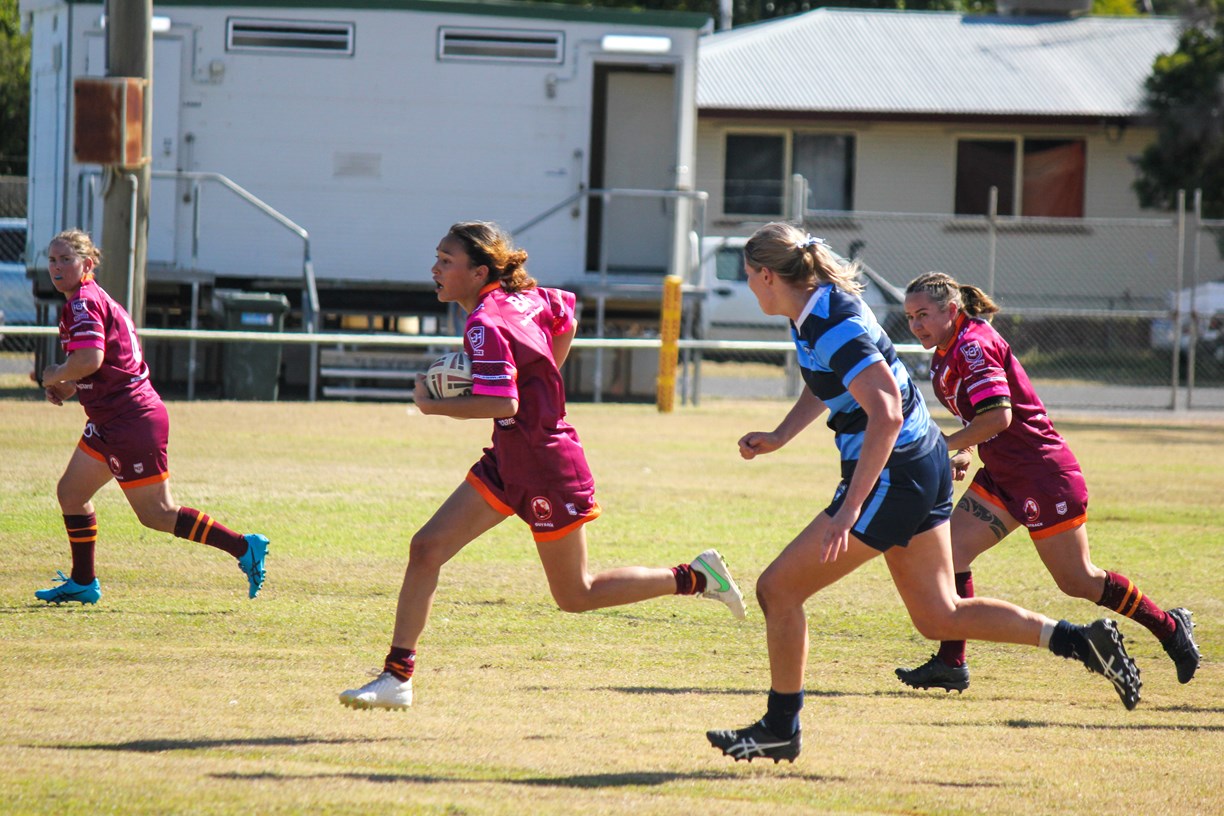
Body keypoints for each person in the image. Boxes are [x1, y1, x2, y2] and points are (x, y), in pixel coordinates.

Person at [706, 223, 1141, 765]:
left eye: (749, 277)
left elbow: (884, 411)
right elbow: (833, 380)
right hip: (922, 461)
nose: (748, 286)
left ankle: (780, 727)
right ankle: (1081, 641)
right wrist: (780, 435)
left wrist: (850, 509)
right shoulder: (816, 310)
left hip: (899, 470)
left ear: (768, 275)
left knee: (777, 590)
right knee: (939, 615)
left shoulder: (829, 319)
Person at [338, 221, 744, 710]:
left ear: (479, 271)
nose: (435, 269)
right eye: (438, 258)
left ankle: (696, 578)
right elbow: (565, 314)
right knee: (426, 548)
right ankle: (396, 678)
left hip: (546, 465)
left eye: (447, 261)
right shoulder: (525, 297)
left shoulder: (484, 325)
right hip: (510, 458)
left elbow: (503, 404)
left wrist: (433, 404)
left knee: (575, 594)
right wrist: (546, 372)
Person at [894, 271, 1199, 692]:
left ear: (952, 310)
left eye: (923, 315)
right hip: (1004, 474)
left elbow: (1000, 416)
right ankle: (951, 662)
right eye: (910, 317)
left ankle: (1168, 627)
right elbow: (980, 417)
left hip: (1041, 474)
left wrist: (944, 445)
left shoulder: (972, 345)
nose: (916, 326)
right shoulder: (948, 348)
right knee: (950, 552)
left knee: (1078, 581)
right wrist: (965, 449)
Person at [34, 229, 268, 605]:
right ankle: (83, 581)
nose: (57, 267)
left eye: (66, 260)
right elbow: (106, 366)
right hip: (114, 419)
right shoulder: (91, 299)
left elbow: (89, 360)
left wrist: (55, 373)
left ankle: (243, 546)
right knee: (71, 493)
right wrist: (69, 385)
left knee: (157, 514)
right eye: (52, 260)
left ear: (86, 264)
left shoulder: (81, 303)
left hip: (131, 421)